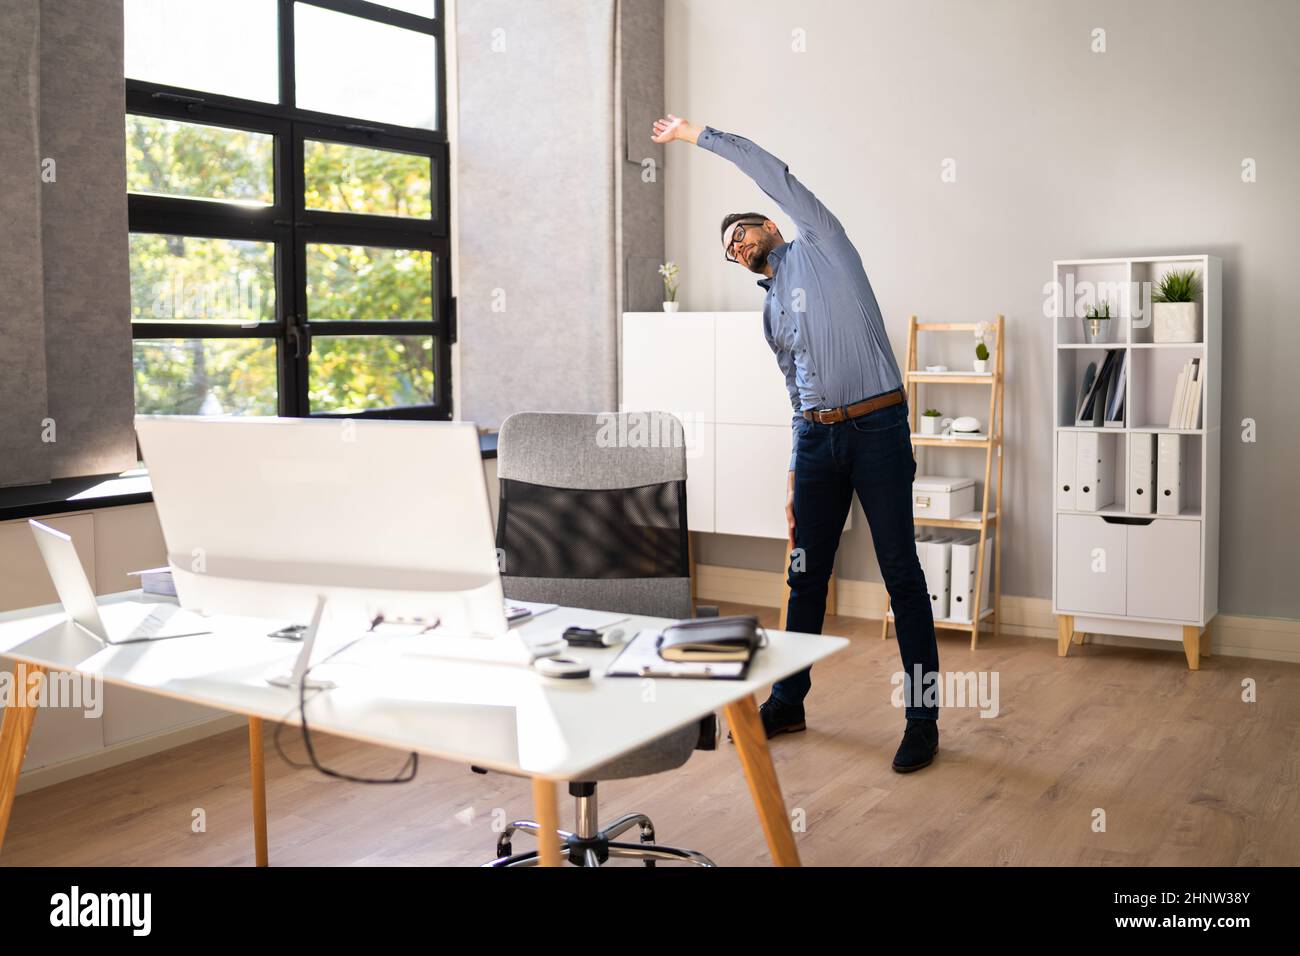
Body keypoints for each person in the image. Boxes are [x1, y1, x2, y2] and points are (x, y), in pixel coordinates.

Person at [651, 114, 941, 772]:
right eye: (727, 248)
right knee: (804, 576)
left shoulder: (823, 245)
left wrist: (698, 136)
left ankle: (922, 720)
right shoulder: (771, 307)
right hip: (816, 443)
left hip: (878, 430)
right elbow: (795, 392)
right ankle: (790, 700)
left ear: (774, 228)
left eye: (741, 232)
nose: (735, 246)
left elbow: (771, 173)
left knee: (902, 576)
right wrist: (793, 475)